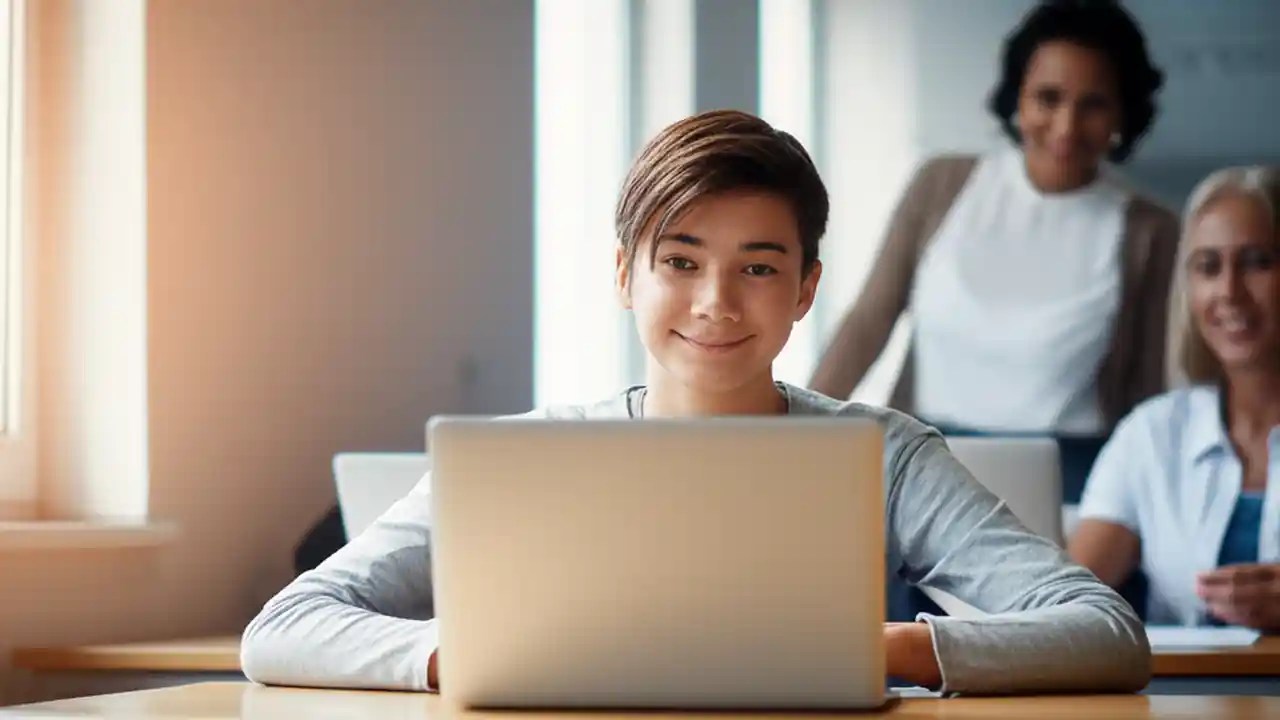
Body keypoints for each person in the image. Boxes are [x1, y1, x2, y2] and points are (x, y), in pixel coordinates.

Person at [241, 110, 1150, 694]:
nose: (717, 300)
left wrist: (872, 648)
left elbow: (1108, 633)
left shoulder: (886, 451)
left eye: (759, 267)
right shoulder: (528, 456)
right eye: (680, 261)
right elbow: (282, 629)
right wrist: (469, 653)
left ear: (805, 289)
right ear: (625, 277)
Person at [810, 0, 1176, 447]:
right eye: (1049, 98)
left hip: (1075, 471)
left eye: (1093, 105)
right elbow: (869, 321)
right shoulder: (941, 185)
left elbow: (1155, 385)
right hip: (925, 455)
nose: (1066, 126)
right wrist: (797, 433)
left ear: (1123, 114)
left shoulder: (1151, 231)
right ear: (1017, 97)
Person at [1070, 167, 1280, 630]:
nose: (1229, 291)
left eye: (1258, 262)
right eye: (1208, 267)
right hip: (1181, 699)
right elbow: (1067, 600)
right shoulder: (1152, 434)